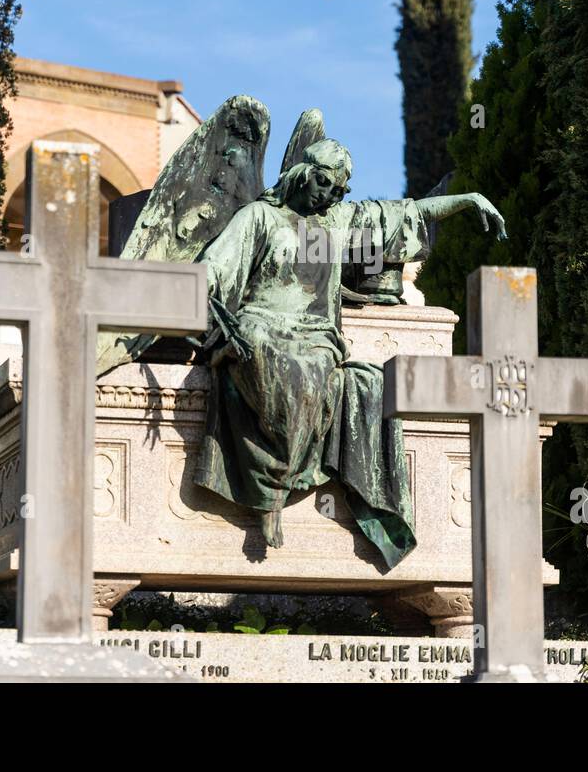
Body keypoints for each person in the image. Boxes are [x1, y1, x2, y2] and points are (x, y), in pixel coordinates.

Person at [194, 138, 505, 567]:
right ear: (303, 173)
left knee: (333, 375)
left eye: (337, 190)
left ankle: (280, 487)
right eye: (323, 183)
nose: (327, 195)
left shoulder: (334, 225)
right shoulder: (259, 218)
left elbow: (403, 214)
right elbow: (213, 269)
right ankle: (269, 495)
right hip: (261, 321)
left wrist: (466, 201)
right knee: (273, 362)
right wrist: (215, 313)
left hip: (315, 333)